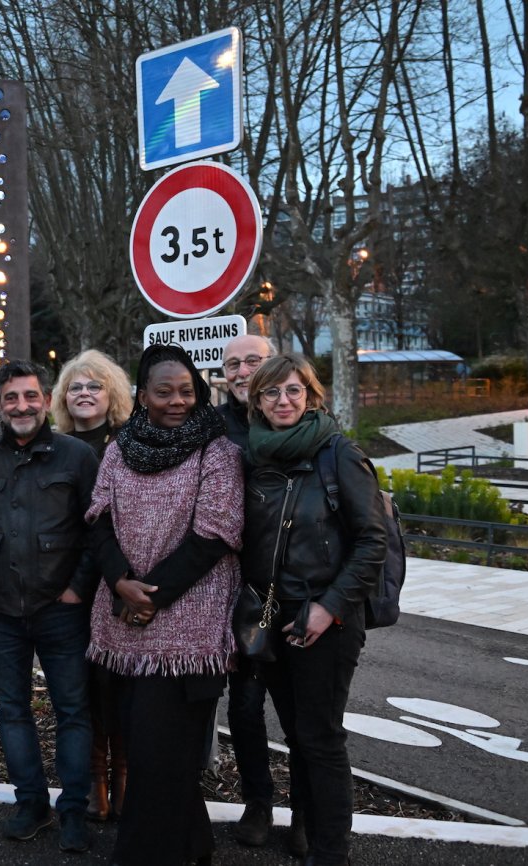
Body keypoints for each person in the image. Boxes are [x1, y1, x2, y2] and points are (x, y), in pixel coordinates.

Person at [87, 344, 243, 866]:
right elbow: (99, 520)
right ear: (142, 396)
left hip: (189, 631)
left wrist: (150, 596)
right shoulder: (119, 448)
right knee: (151, 748)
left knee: (161, 752)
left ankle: (139, 855)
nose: (178, 400)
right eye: (164, 391)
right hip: (123, 625)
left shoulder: (216, 450)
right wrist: (120, 582)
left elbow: (215, 534)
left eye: (186, 391)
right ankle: (194, 847)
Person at [242, 354, 386, 866]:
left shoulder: (338, 453)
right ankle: (306, 830)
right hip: (271, 617)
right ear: (257, 402)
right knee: (297, 735)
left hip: (327, 619)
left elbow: (373, 541)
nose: (283, 400)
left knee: (320, 738)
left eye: (293, 390)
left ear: (311, 395)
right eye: (271, 392)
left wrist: (329, 608)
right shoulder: (254, 456)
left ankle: (330, 852)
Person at [0, 359, 99, 852]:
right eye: (11, 397)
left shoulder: (77, 456)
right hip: (2, 615)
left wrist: (78, 588)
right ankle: (31, 803)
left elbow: (98, 529)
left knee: (72, 711)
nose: (22, 406)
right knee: (12, 711)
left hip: (62, 610)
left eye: (30, 396)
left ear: (46, 400)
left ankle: (73, 810)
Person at [217, 333, 306, 854]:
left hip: (296, 590)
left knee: (299, 713)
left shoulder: (305, 427)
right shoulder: (214, 428)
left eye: (253, 360)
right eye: (232, 364)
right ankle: (258, 802)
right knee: (245, 708)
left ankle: (304, 812)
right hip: (244, 589)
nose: (243, 371)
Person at [49, 349, 133, 821]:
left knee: (116, 682)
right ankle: (95, 777)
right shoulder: (55, 445)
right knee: (81, 686)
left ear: (112, 393)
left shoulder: (129, 443)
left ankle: (123, 775)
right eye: (75, 387)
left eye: (94, 386)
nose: (84, 393)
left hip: (117, 579)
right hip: (69, 585)